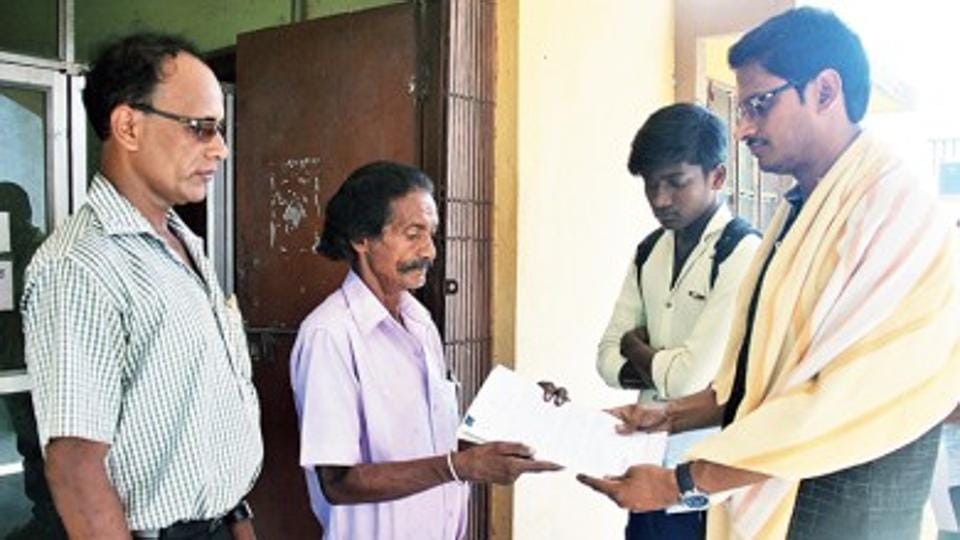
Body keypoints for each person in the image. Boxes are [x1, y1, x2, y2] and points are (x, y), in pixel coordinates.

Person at [579, 7, 960, 539]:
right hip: (779, 496)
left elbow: (842, 402)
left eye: (760, 104)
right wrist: (671, 414)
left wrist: (679, 484)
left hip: (845, 513)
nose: (743, 129)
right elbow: (765, 379)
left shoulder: (893, 212)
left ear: (825, 91)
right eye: (743, 109)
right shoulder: (799, 209)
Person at [21, 33, 262, 539]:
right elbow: (76, 467)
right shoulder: (82, 265)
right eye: (201, 128)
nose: (220, 149)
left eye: (219, 130)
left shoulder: (180, 241)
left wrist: (237, 524)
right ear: (128, 126)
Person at [290, 161, 561, 539]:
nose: (430, 250)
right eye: (412, 234)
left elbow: (437, 443)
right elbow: (338, 483)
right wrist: (458, 467)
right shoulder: (330, 334)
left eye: (431, 234)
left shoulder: (419, 322)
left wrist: (523, 413)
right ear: (361, 238)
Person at [596, 104, 759, 539]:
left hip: (706, 480)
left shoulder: (741, 252)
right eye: (651, 185)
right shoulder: (650, 250)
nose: (660, 199)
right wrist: (658, 362)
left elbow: (688, 380)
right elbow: (606, 361)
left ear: (717, 177)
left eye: (676, 182)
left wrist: (635, 346)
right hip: (644, 466)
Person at [0, 182, 65, 539]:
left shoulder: (39, 255)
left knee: (45, 448)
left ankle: (52, 519)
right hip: (17, 362)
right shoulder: (12, 253)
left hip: (37, 369)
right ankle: (44, 515)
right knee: (30, 446)